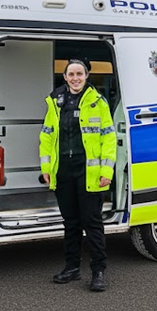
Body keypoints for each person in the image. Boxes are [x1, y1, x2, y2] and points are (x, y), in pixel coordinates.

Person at [39, 59, 115, 292]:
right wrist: (46, 168)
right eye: (71, 74)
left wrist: (106, 171)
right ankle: (71, 268)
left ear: (86, 75)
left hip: (88, 172)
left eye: (80, 74)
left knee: (92, 223)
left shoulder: (97, 102)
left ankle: (98, 272)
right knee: (70, 223)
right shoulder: (55, 101)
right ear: (64, 76)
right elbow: (47, 136)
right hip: (63, 171)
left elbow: (108, 138)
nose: (75, 78)